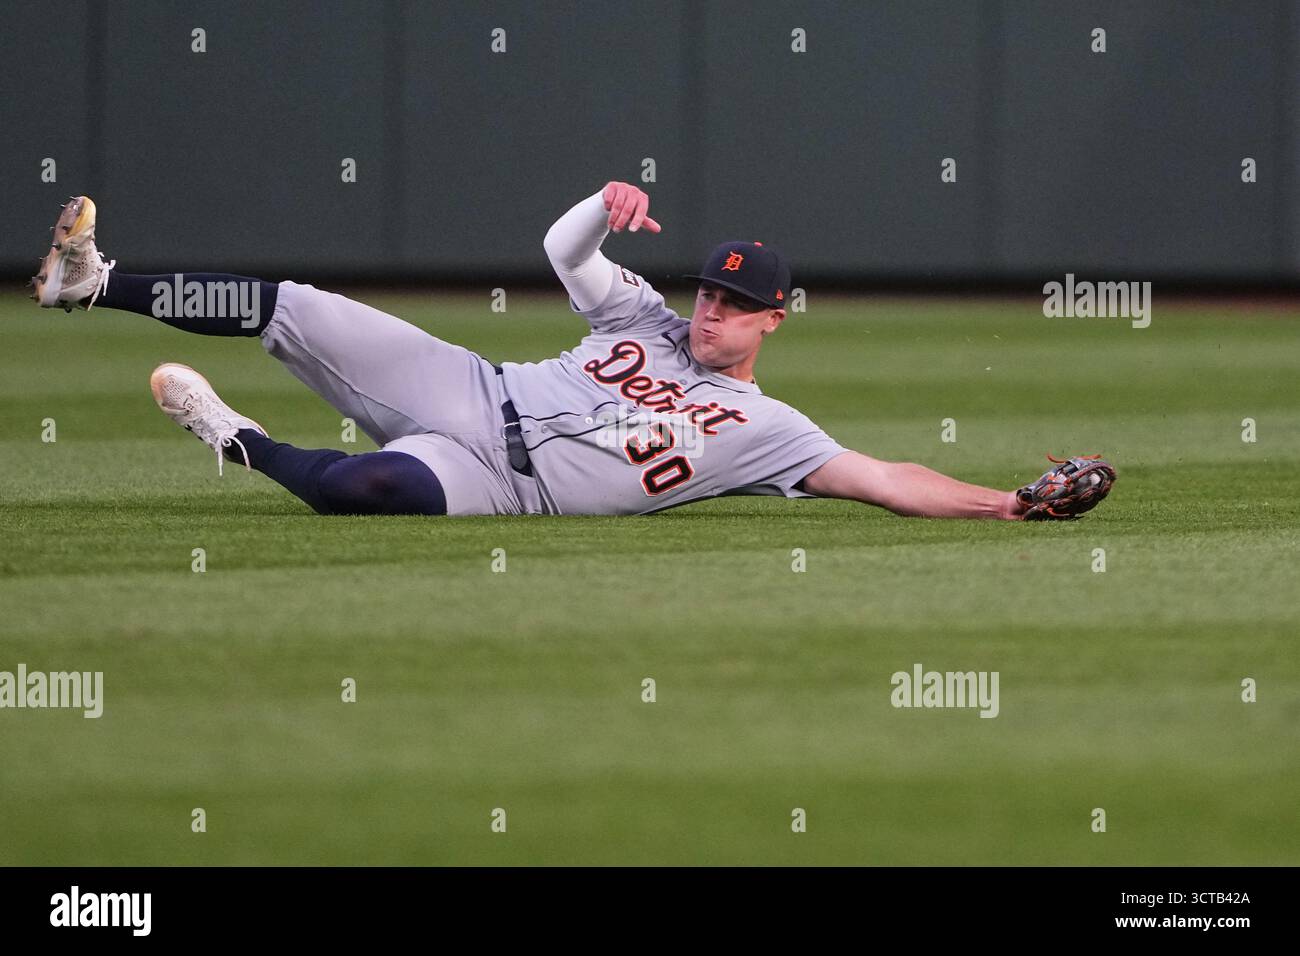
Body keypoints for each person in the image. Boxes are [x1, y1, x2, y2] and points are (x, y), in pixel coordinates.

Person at [28, 183, 1113, 519]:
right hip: (469, 382)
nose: (710, 310)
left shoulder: (766, 429)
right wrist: (603, 203)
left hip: (506, 484)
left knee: (355, 487)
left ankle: (233, 435)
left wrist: (1007, 503)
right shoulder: (643, 315)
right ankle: (97, 282)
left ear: (776, 317)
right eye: (708, 289)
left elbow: (885, 476)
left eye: (736, 304)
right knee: (294, 304)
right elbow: (560, 249)